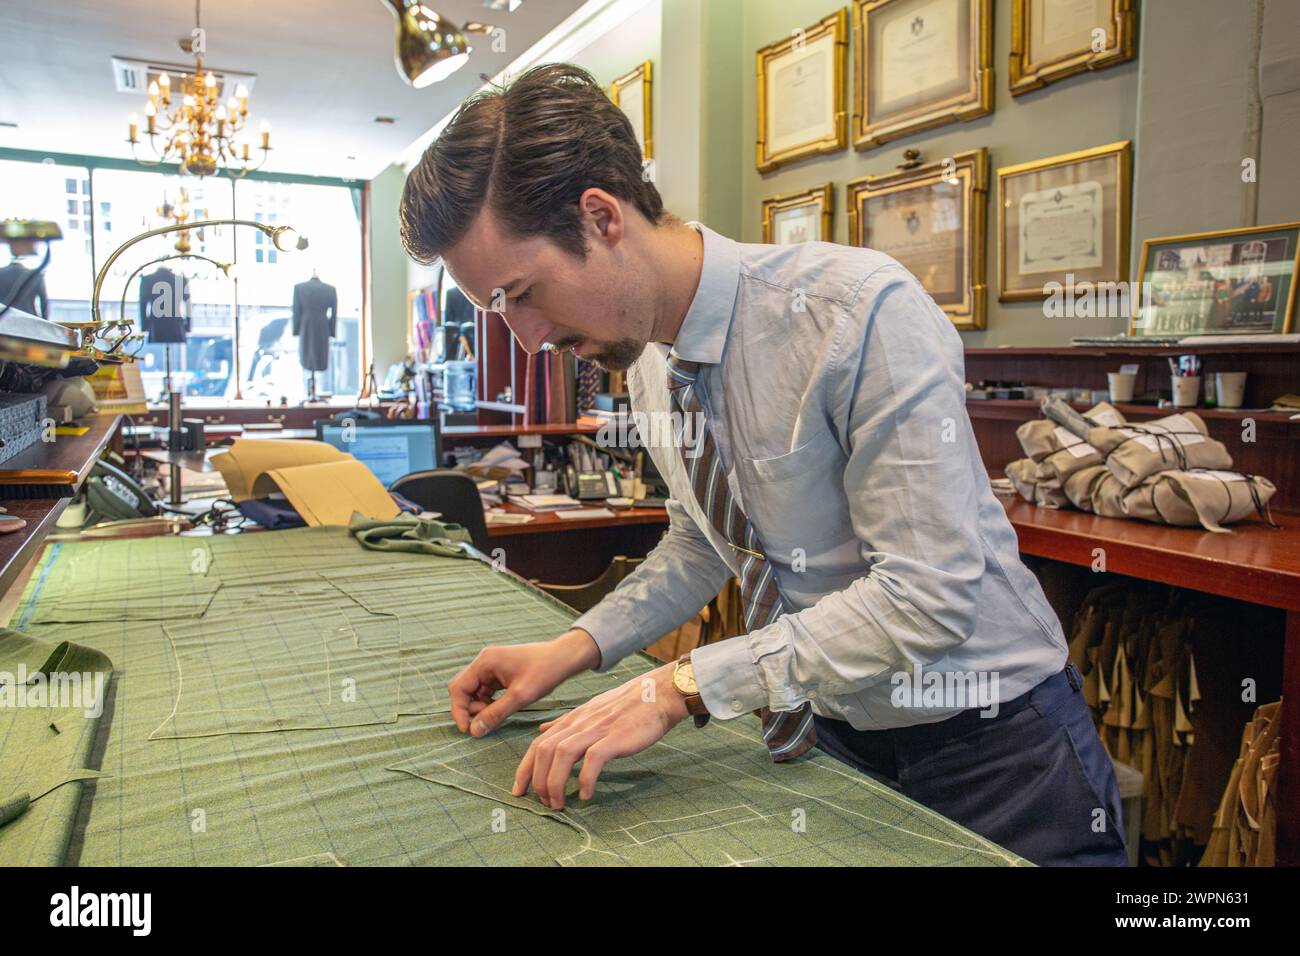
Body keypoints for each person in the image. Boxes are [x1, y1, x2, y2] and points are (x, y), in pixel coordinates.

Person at [399, 64, 1127, 866]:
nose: (528, 339)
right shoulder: (645, 355)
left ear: (601, 216)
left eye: (522, 294)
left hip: (999, 754)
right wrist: (571, 649)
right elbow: (704, 540)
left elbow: (927, 596)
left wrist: (679, 688)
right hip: (837, 736)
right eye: (501, 312)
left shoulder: (856, 316)